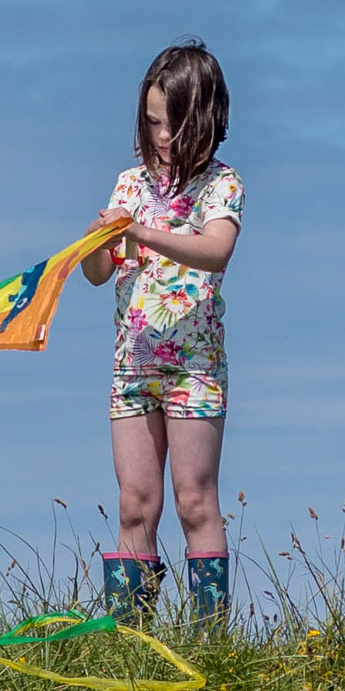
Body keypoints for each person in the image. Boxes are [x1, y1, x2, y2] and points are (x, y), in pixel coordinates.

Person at [81, 40, 244, 624]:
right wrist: (98, 243)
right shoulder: (129, 185)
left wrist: (144, 234)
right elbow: (99, 274)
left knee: (195, 501)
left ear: (205, 121)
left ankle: (209, 643)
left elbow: (216, 250)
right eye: (153, 123)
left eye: (174, 125)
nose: (162, 137)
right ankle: (131, 640)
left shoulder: (221, 186)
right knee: (134, 504)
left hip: (194, 370)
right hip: (133, 368)